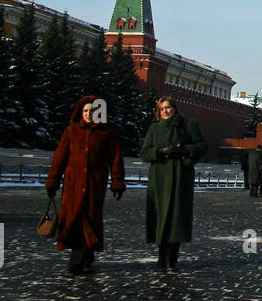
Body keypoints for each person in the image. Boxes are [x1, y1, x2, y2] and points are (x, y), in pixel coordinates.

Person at [43, 96, 126, 275]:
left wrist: (117, 182)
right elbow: (60, 158)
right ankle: (85, 254)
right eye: (86, 111)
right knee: (74, 218)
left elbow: (116, 159)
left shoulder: (107, 133)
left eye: (93, 111)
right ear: (80, 112)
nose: (89, 114)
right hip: (72, 184)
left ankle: (76, 262)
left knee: (89, 218)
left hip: (95, 184)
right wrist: (53, 181)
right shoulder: (71, 131)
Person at [140, 96, 207, 272]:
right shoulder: (154, 129)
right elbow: (145, 153)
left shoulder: (187, 125)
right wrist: (160, 151)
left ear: (175, 108)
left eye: (168, 108)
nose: (165, 111)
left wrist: (186, 152)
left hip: (180, 177)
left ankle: (173, 257)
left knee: (177, 217)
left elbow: (201, 145)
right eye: (162, 109)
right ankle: (162, 257)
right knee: (160, 217)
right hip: (159, 178)